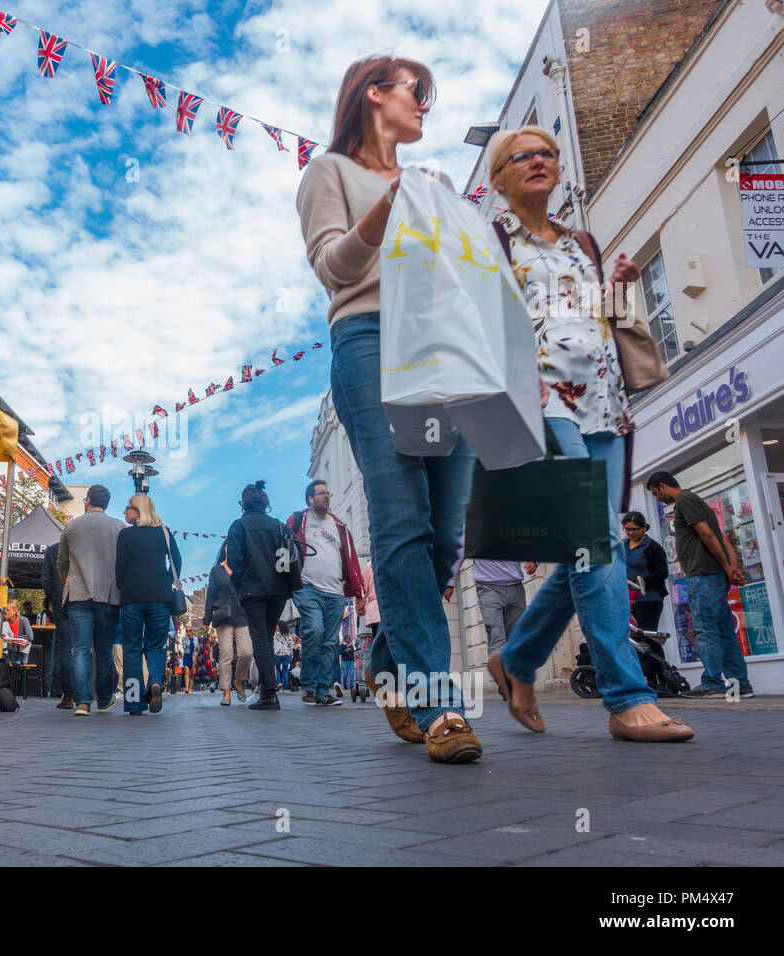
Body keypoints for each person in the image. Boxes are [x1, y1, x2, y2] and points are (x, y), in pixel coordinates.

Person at [296, 56, 479, 761]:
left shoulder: (434, 185)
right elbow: (334, 267)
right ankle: (442, 707)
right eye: (415, 95)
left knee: (443, 536)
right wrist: (389, 202)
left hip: (445, 351)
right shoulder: (329, 174)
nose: (424, 109)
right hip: (371, 339)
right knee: (400, 519)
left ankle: (384, 667)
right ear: (374, 95)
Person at [483, 126, 692, 742]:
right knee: (598, 539)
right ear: (497, 179)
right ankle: (627, 696)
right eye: (522, 155)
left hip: (604, 405)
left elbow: (601, 321)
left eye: (547, 152)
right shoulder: (492, 242)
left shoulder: (583, 243)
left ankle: (515, 659)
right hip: (544, 407)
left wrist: (621, 288)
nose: (540, 161)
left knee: (585, 549)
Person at [646, 472, 752, 699]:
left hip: (703, 575)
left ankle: (713, 683)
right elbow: (722, 539)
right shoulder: (696, 501)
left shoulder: (684, 500)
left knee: (705, 629)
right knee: (723, 631)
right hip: (712, 575)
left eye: (656, 493)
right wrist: (732, 568)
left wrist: (727, 568)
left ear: (663, 486)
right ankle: (739, 685)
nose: (657, 499)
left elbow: (707, 535)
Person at [287, 479, 366, 706]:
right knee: (315, 629)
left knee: (330, 642)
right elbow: (282, 548)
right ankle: (310, 687)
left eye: (328, 493)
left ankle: (323, 690)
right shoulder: (298, 521)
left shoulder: (339, 526)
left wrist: (358, 591)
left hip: (335, 592)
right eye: (321, 493)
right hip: (306, 587)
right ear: (310, 499)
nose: (326, 496)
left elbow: (351, 561)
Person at [225, 481, 295, 711]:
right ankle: (267, 689)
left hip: (253, 589)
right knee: (265, 637)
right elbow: (291, 555)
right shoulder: (279, 526)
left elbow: (234, 560)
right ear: (265, 502)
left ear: (244, 503)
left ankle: (270, 692)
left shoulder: (239, 526)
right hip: (278, 590)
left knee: (260, 639)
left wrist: (239, 584)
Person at [57, 485, 123, 717]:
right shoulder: (119, 527)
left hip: (78, 596)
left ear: (87, 501)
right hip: (109, 596)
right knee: (104, 650)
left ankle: (82, 703)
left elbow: (62, 564)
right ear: (106, 503)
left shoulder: (71, 526)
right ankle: (104, 700)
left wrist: (71, 582)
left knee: (80, 650)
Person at [114, 493, 181, 716]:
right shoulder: (164, 533)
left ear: (138, 511)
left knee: (132, 649)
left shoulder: (125, 535)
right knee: (155, 645)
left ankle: (134, 703)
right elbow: (176, 562)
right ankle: (155, 682)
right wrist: (167, 582)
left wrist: (126, 586)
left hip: (132, 598)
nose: (125, 512)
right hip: (160, 598)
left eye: (128, 508)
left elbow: (119, 569)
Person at [444, 531, 537, 668]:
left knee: (516, 636)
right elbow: (460, 552)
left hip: (516, 588)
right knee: (496, 634)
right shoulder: (473, 524)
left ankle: (513, 674)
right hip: (489, 590)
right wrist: (450, 583)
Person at [205, 543, 252, 705]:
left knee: (246, 652)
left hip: (242, 616)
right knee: (225, 654)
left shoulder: (244, 568)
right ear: (225, 548)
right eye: (228, 546)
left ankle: (239, 681)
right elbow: (210, 595)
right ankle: (226, 693)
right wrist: (206, 619)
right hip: (223, 616)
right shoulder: (216, 570)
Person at [41, 541, 75, 710]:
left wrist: (53, 598)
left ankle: (68, 694)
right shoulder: (82, 546)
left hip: (60, 603)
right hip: (82, 601)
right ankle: (87, 694)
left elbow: (46, 579)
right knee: (84, 648)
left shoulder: (52, 550)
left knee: (65, 650)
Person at [622, 511, 669, 632]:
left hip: (648, 599)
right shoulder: (622, 545)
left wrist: (640, 582)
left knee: (648, 638)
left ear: (644, 528)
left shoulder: (653, 547)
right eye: (627, 529)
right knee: (633, 639)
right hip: (628, 600)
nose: (631, 533)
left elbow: (662, 573)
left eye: (635, 529)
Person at [1, 598, 33, 666]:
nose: (6, 611)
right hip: (7, 651)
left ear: (15, 611)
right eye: (5, 609)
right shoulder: (4, 621)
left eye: (8, 610)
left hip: (19, 652)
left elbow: (30, 636)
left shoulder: (24, 620)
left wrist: (12, 638)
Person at [274, 622, 294, 692]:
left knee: (278, 669)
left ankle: (279, 683)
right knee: (285, 671)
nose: (276, 626)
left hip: (278, 654)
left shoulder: (276, 633)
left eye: (277, 626)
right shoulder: (288, 634)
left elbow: (273, 643)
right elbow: (291, 645)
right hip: (286, 654)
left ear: (279, 627)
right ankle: (285, 689)